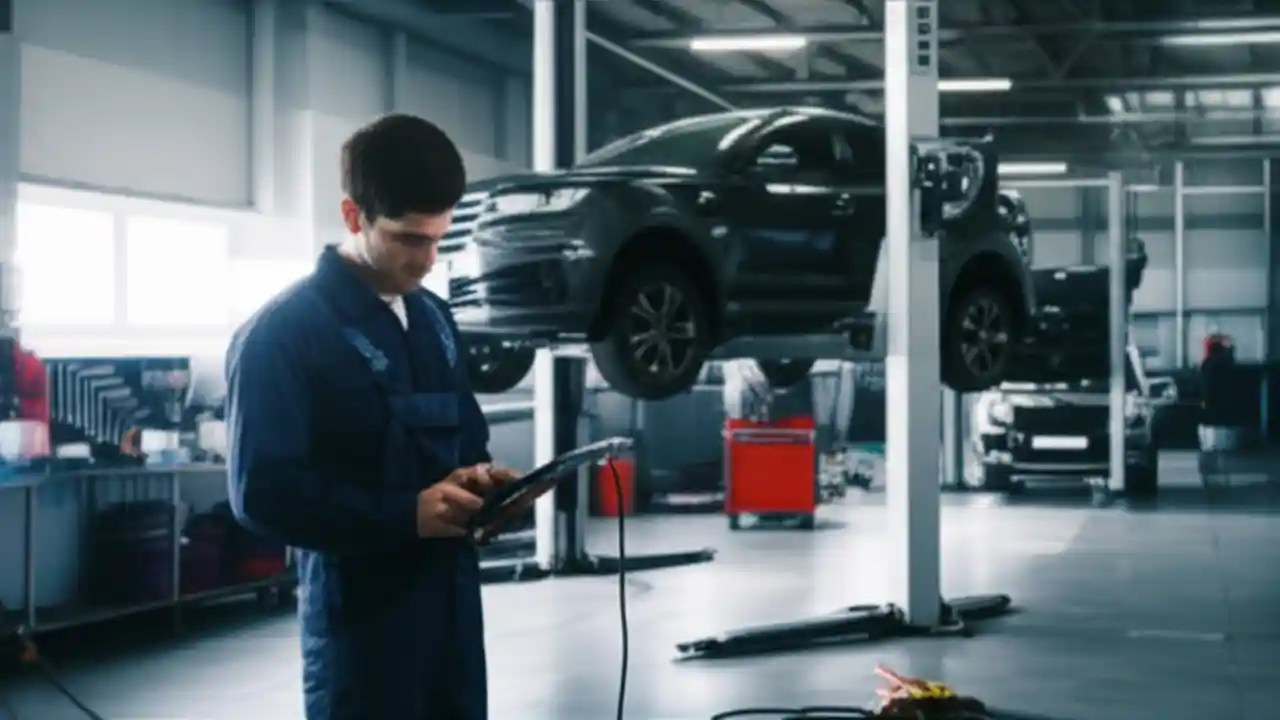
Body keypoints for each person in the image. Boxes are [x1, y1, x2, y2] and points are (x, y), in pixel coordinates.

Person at [225, 114, 520, 720]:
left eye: (439, 239)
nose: (428, 261)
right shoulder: (282, 335)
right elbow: (262, 492)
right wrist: (404, 514)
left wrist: (488, 489)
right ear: (353, 216)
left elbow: (467, 436)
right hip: (361, 626)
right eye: (409, 240)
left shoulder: (435, 319)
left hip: (452, 613)